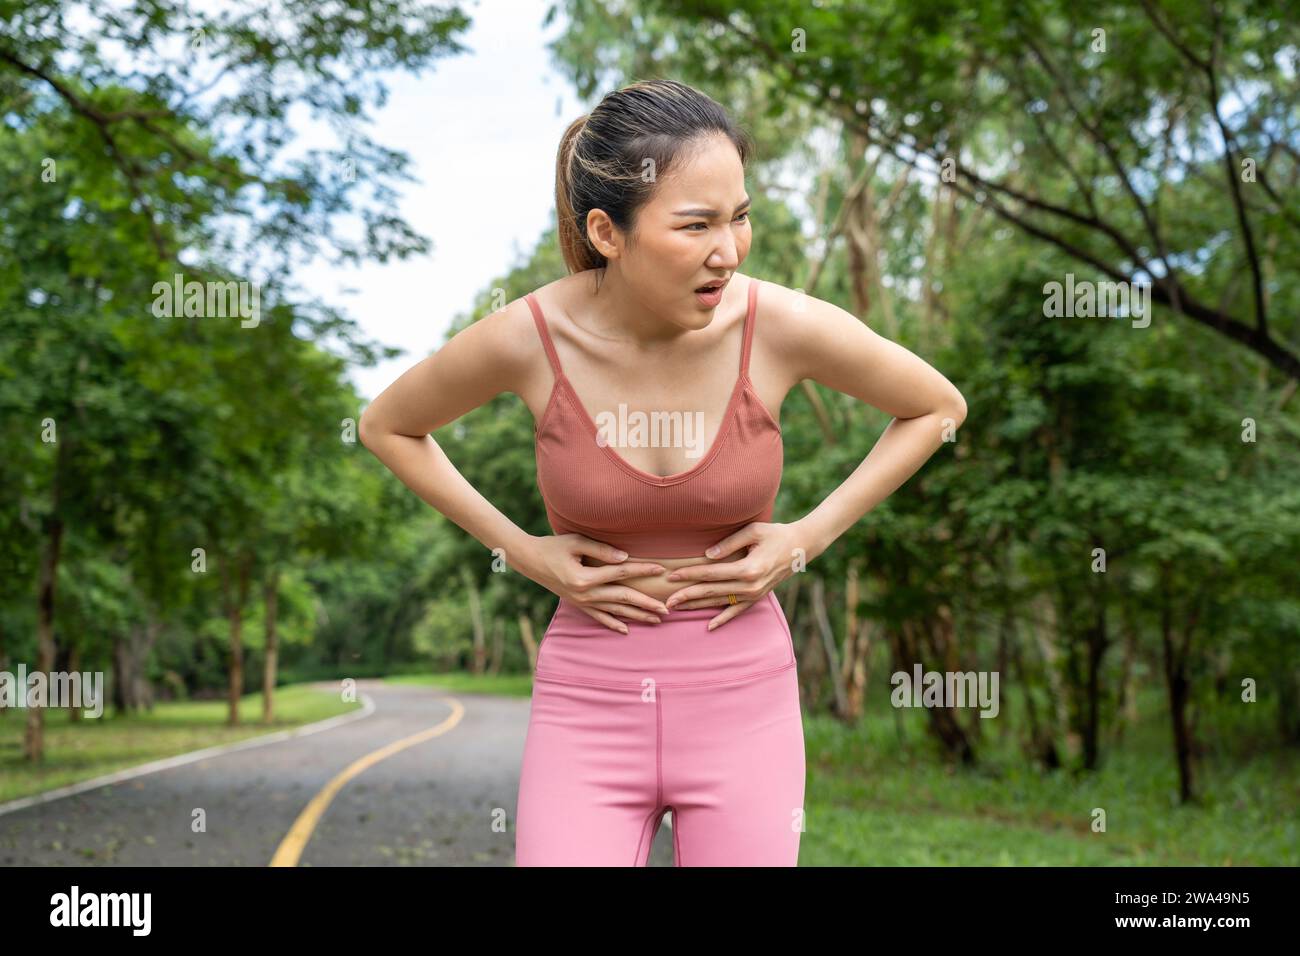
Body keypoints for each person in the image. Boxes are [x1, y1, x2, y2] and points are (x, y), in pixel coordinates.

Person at [359, 78, 968, 866]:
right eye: (697, 225)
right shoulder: (530, 337)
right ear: (608, 232)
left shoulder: (776, 325)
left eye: (740, 216)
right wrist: (524, 550)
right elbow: (388, 425)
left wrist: (806, 537)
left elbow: (936, 408)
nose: (730, 250)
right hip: (587, 701)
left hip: (745, 701)